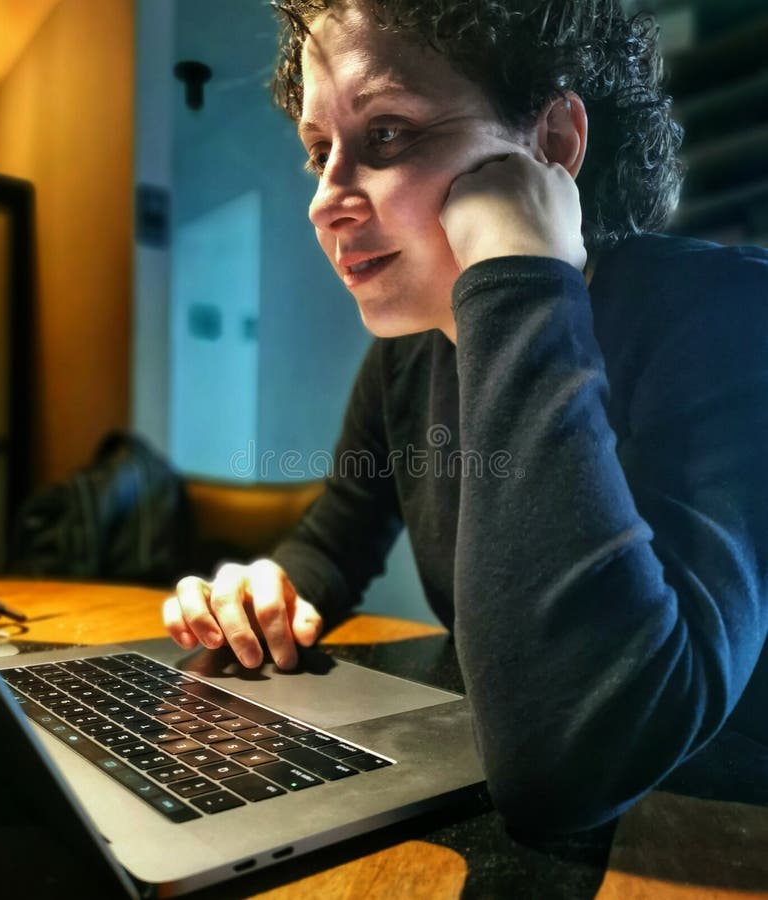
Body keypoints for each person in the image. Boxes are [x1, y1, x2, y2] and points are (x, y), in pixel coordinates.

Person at [162, 0, 768, 839]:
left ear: (552, 143)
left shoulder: (730, 317)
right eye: (317, 151)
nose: (325, 200)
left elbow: (575, 759)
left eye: (386, 136)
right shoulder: (407, 359)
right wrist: (282, 587)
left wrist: (518, 270)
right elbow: (336, 537)